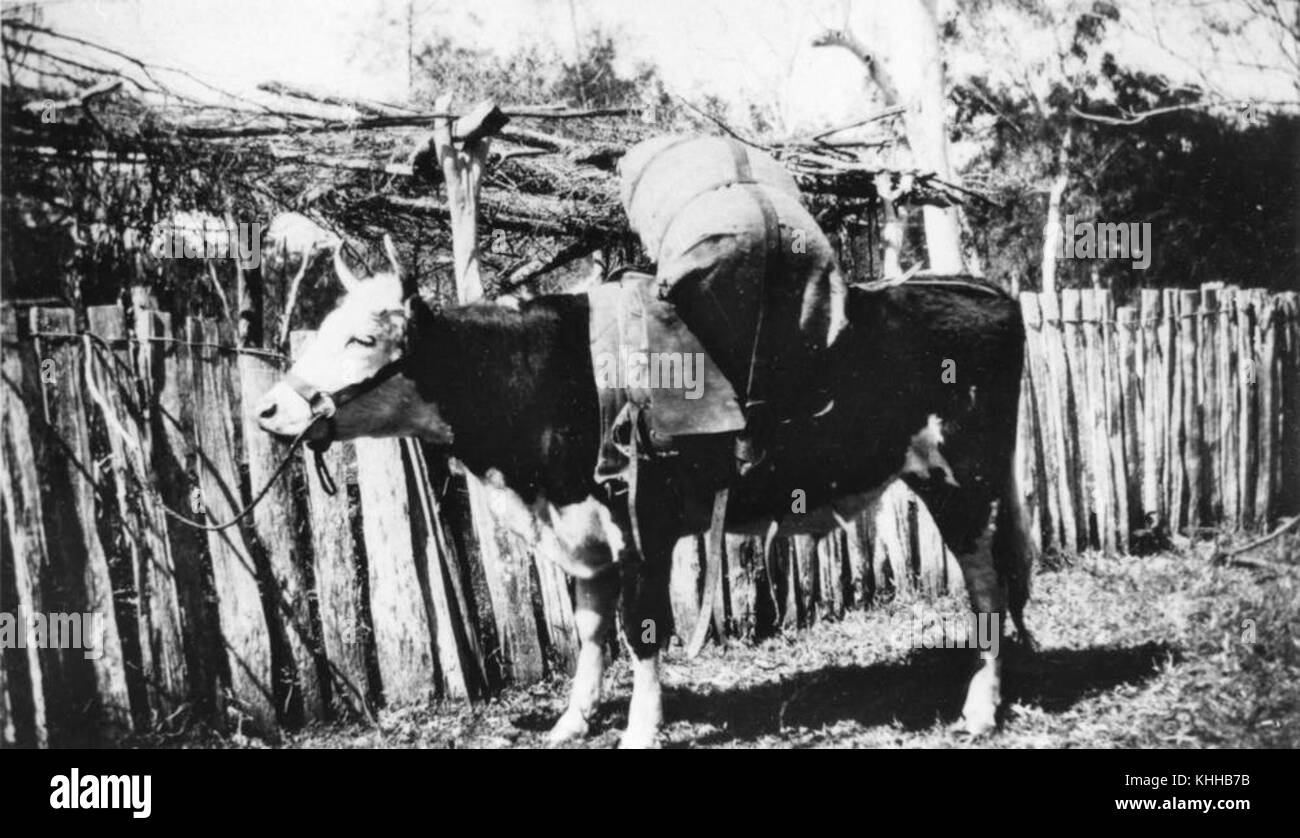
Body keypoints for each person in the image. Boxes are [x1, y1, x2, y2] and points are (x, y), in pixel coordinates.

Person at [618, 134, 848, 472]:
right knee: (794, 302)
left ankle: (671, 428)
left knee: (657, 304)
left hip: (718, 230)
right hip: (799, 232)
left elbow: (656, 257)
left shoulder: (651, 173)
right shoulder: (745, 156)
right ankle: (777, 421)